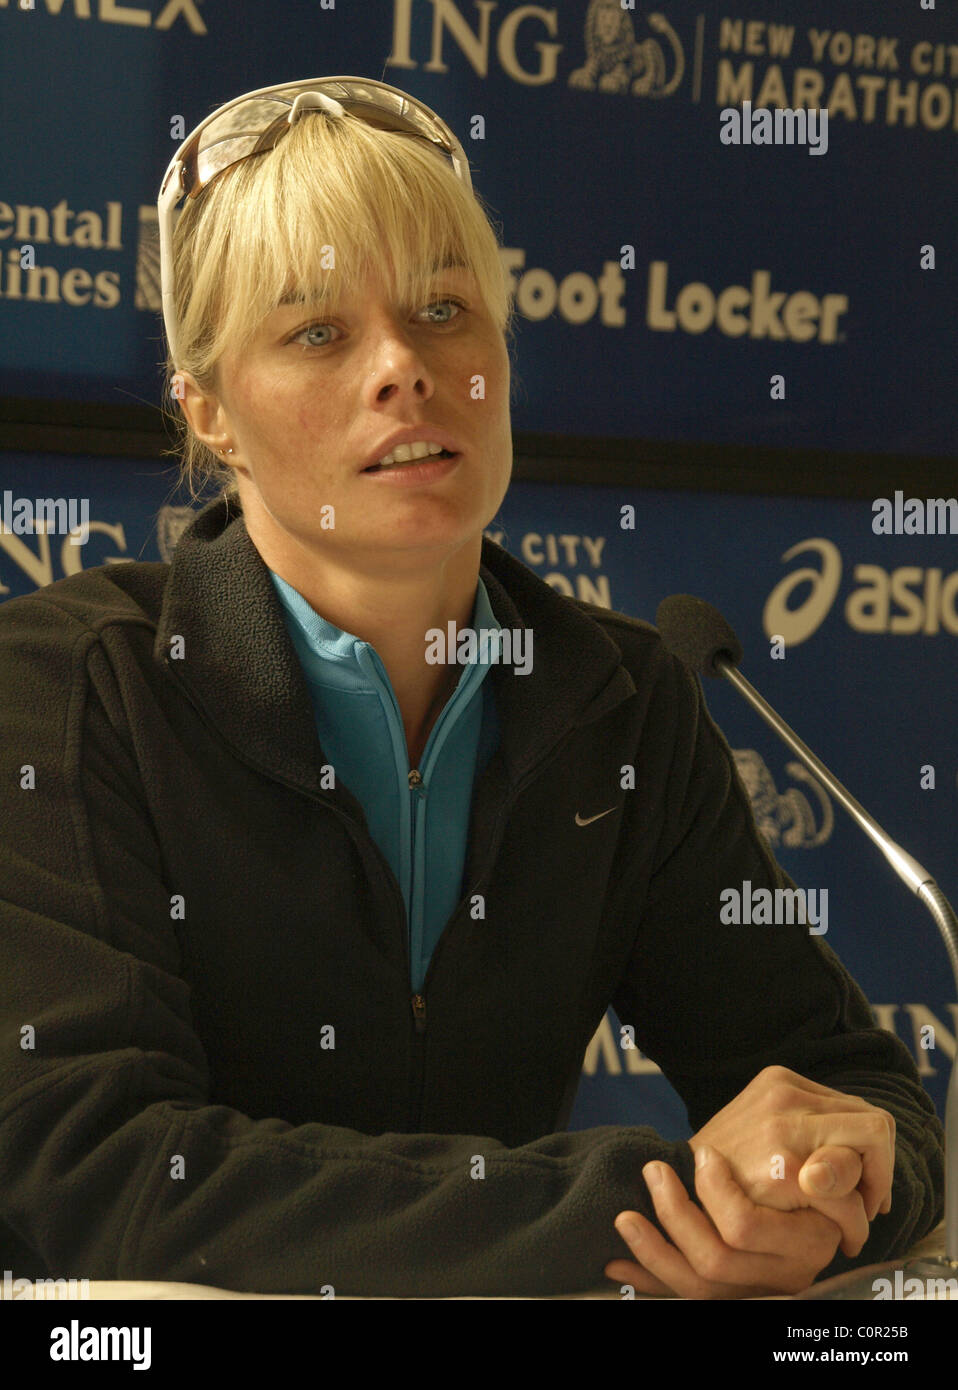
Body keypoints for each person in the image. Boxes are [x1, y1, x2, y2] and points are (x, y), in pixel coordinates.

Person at [0, 77, 943, 1299]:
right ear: (211, 413)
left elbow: (847, 1085)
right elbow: (90, 1172)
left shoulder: (624, 700)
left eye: (444, 310)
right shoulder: (66, 689)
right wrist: (636, 1213)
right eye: (318, 332)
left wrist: (833, 1183)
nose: (402, 366)